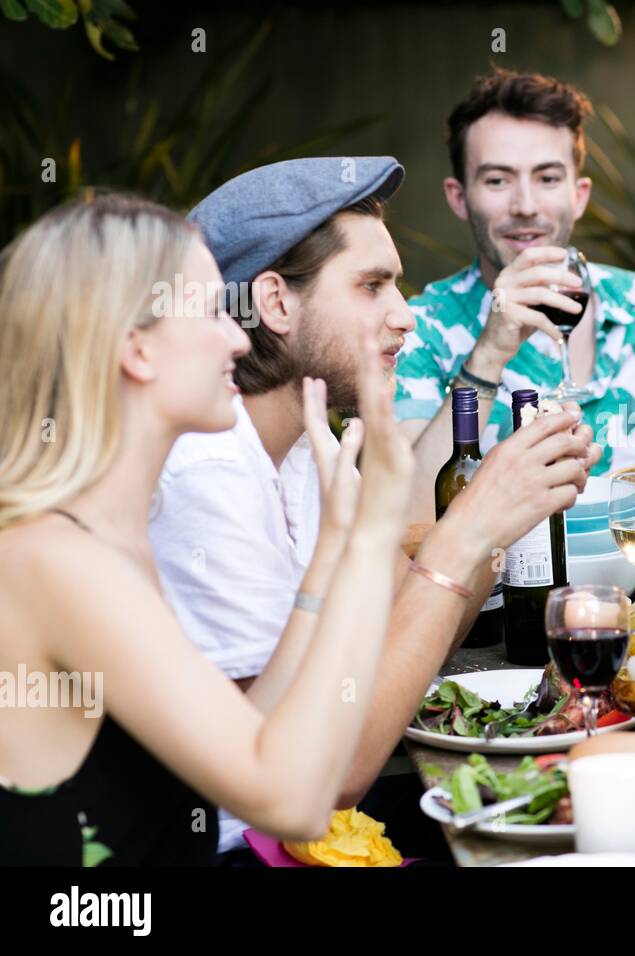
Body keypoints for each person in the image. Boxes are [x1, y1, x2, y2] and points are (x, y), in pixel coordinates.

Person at [150, 157, 601, 858]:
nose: (405, 316)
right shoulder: (205, 477)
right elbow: (334, 772)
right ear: (274, 303)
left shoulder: (302, 445)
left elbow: (403, 637)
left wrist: (503, 518)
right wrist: (472, 525)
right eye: (372, 286)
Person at [0, 194, 411, 864]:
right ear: (136, 348)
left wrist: (333, 550)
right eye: (210, 311)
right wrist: (370, 541)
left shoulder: (115, 536)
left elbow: (249, 736)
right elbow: (296, 798)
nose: (240, 338)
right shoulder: (58, 560)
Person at [394, 68, 635, 506]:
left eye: (548, 178)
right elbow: (408, 511)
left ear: (579, 194)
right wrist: (489, 354)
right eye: (497, 180)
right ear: (459, 197)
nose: (526, 206)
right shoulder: (418, 328)